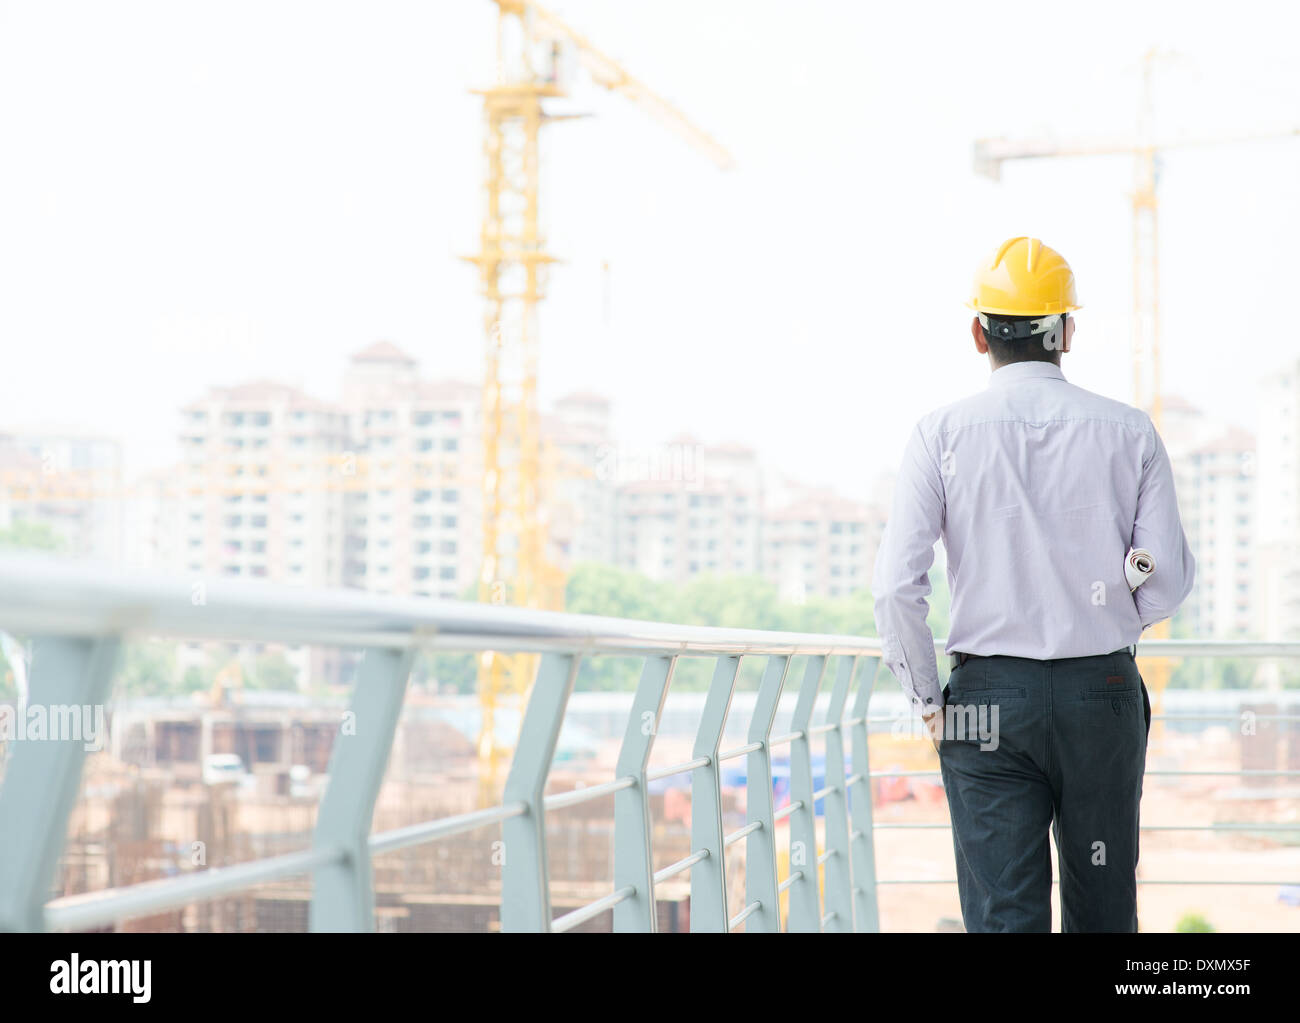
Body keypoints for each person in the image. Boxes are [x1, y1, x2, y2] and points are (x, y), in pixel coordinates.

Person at [870, 236, 1195, 932]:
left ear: (978, 332)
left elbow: (897, 588)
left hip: (987, 704)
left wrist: (930, 704)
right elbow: (1162, 578)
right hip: (1100, 697)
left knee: (1003, 914)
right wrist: (1106, 614)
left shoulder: (939, 434)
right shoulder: (1130, 431)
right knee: (1105, 908)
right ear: (1067, 331)